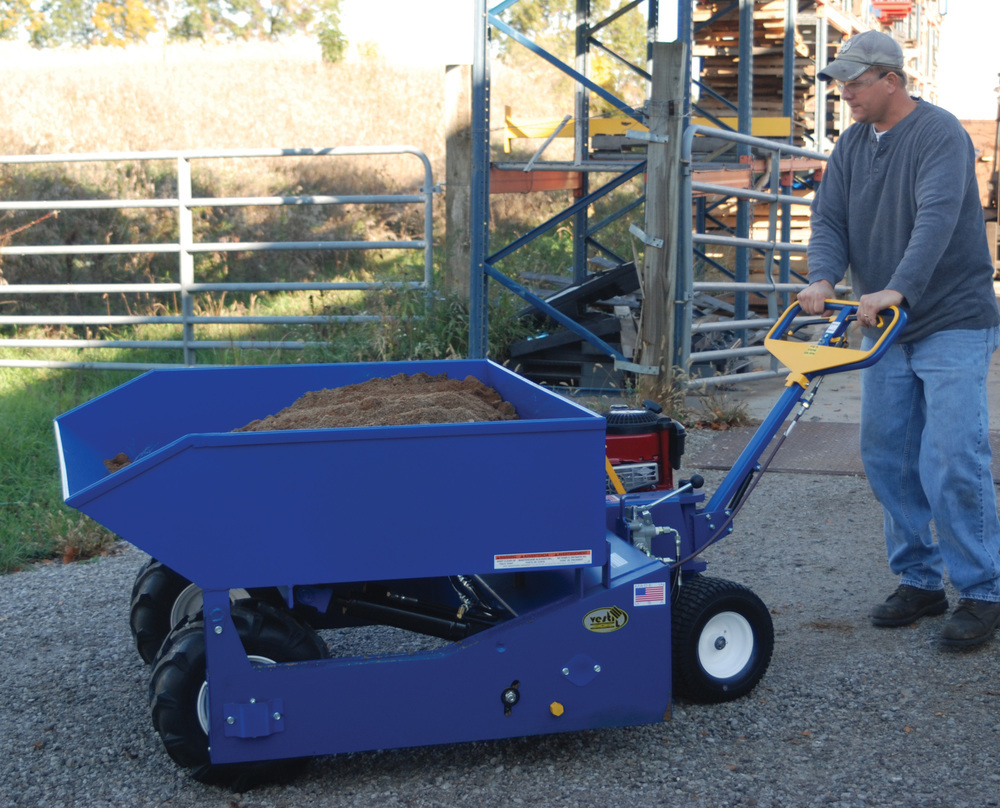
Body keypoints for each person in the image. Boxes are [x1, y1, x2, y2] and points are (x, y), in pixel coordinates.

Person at [797, 30, 1000, 648]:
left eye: (855, 83)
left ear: (892, 80)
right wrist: (823, 275)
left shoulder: (940, 134)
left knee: (952, 456)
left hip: (952, 319)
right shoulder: (853, 143)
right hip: (884, 326)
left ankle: (984, 589)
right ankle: (919, 579)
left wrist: (898, 289)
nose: (846, 94)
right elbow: (830, 217)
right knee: (887, 453)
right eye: (841, 84)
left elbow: (936, 218)